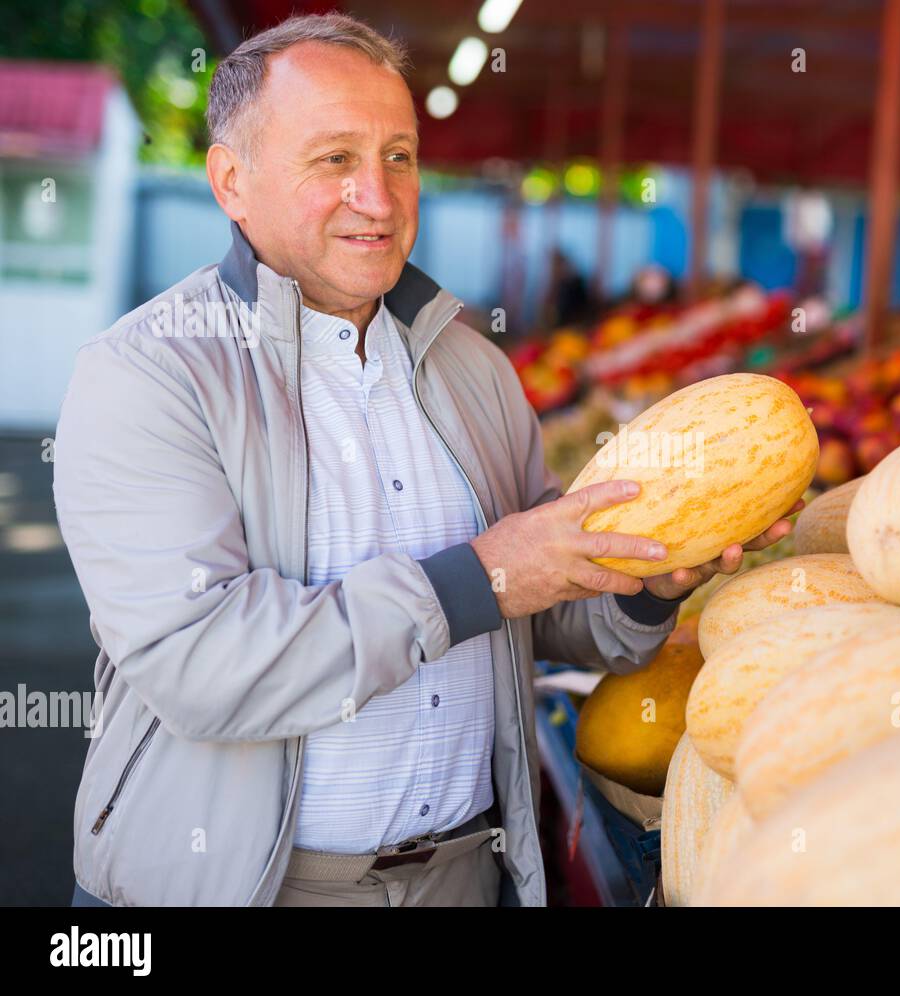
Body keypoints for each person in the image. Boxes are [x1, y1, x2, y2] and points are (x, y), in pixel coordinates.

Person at [51, 12, 796, 907]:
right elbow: (203, 666)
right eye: (334, 159)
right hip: (245, 890)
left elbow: (543, 608)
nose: (378, 193)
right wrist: (475, 580)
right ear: (231, 180)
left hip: (461, 881)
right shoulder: (149, 375)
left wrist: (646, 583)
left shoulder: (472, 366)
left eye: (399, 155)